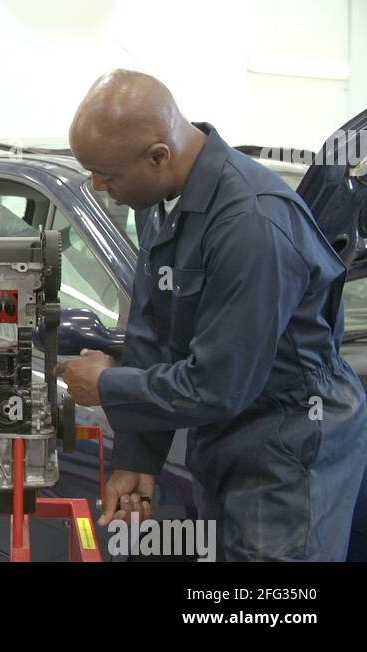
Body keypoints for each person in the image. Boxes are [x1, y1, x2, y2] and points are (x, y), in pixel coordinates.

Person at [60, 69, 367, 561]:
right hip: (227, 434)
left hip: (289, 441)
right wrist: (139, 457)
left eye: (107, 175)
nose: (98, 186)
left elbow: (219, 384)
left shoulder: (251, 223)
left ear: (158, 156)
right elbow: (154, 329)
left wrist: (107, 386)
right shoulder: (160, 199)